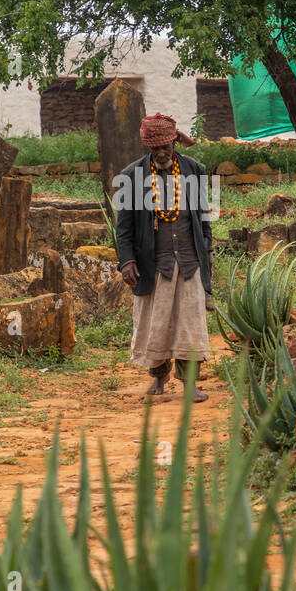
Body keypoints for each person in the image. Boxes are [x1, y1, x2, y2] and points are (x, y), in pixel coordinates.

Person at [115, 112, 213, 401]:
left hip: (189, 262)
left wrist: (208, 252)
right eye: (154, 149)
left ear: (174, 142)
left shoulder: (195, 170)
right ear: (148, 148)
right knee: (155, 326)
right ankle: (158, 379)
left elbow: (205, 218)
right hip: (152, 264)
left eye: (165, 148)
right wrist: (127, 261)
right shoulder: (130, 175)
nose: (160, 153)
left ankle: (190, 384)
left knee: (189, 325)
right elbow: (123, 228)